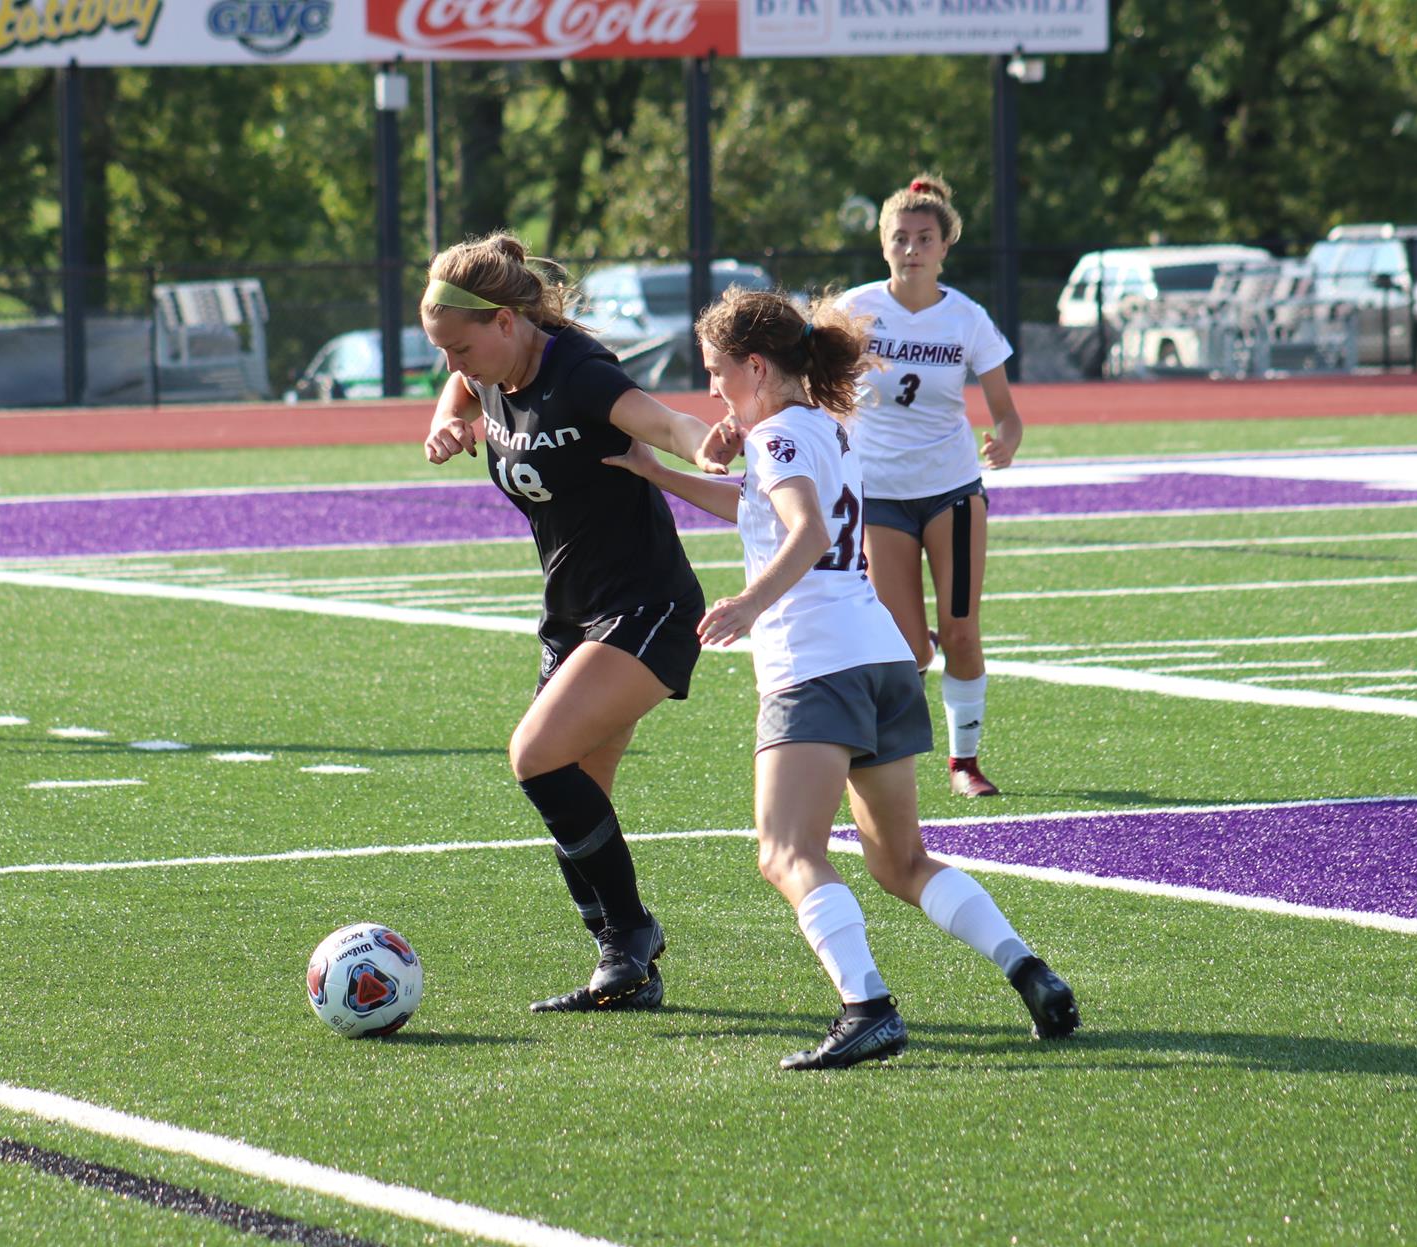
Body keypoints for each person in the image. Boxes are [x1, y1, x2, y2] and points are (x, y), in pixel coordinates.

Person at [607, 286, 1077, 1069]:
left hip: (815, 662)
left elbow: (806, 529)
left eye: (719, 373)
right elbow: (762, 509)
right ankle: (1029, 969)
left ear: (755, 366)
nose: (714, 392)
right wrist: (654, 471)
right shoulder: (824, 423)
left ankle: (867, 1006)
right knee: (901, 861)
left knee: (785, 851)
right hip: (883, 658)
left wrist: (753, 602)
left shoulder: (777, 438)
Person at [419, 232, 723, 1014]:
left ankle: (631, 931)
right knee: (579, 795)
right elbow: (461, 393)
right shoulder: (483, 370)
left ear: (506, 321)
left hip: (646, 603)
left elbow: (656, 421)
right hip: (573, 612)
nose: (453, 367)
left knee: (535, 755)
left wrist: (707, 441)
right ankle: (625, 966)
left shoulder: (578, 371)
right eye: (441, 354)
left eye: (460, 348)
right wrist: (447, 421)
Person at [835, 174, 1022, 797]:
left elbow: (1006, 410)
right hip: (879, 492)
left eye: (924, 238)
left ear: (945, 245)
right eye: (900, 238)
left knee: (963, 633)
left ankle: (964, 762)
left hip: (952, 489)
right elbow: (811, 384)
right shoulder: (852, 311)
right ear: (883, 244)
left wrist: (1007, 437)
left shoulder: (967, 317)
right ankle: (926, 641)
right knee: (909, 649)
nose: (911, 248)